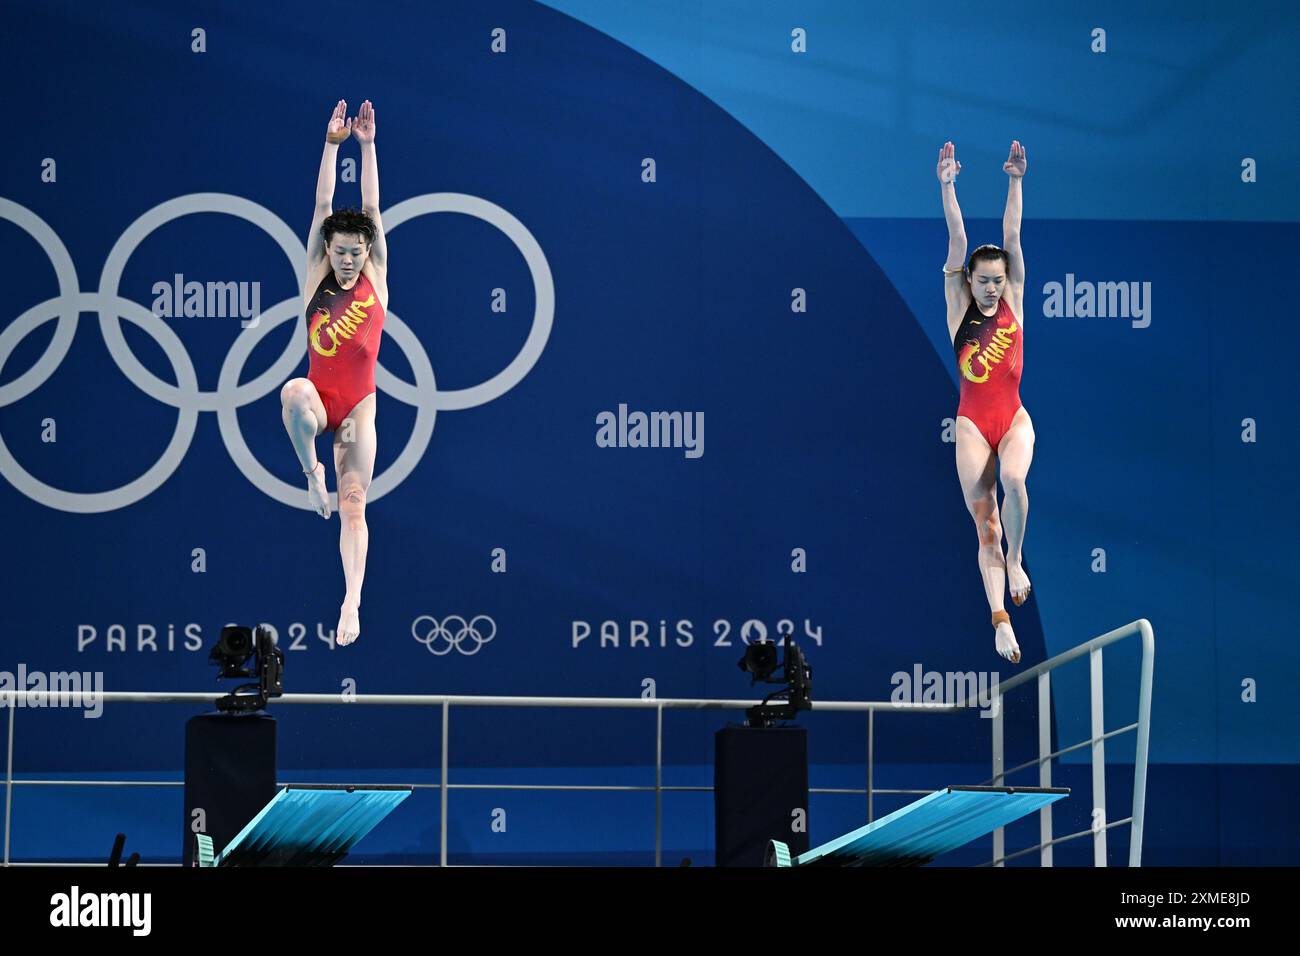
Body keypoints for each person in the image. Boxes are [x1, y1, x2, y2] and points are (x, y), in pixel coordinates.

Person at [279, 99, 389, 647]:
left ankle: (351, 601)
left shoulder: (376, 276)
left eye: (356, 253)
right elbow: (324, 202)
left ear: (367, 251)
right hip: (320, 400)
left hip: (359, 408)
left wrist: (367, 146)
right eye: (341, 252)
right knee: (293, 391)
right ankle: (309, 472)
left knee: (354, 506)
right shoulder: (316, 274)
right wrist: (330, 145)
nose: (348, 261)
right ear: (329, 249)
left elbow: (371, 203)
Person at [937, 140, 1033, 663]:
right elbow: (958, 239)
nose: (993, 289)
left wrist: (1015, 181)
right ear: (969, 283)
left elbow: (1012, 235)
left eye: (999, 280)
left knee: (1015, 482)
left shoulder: (1014, 295)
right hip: (973, 424)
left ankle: (1017, 562)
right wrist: (948, 186)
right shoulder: (958, 306)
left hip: (1013, 417)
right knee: (986, 524)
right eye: (984, 282)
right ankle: (1000, 621)